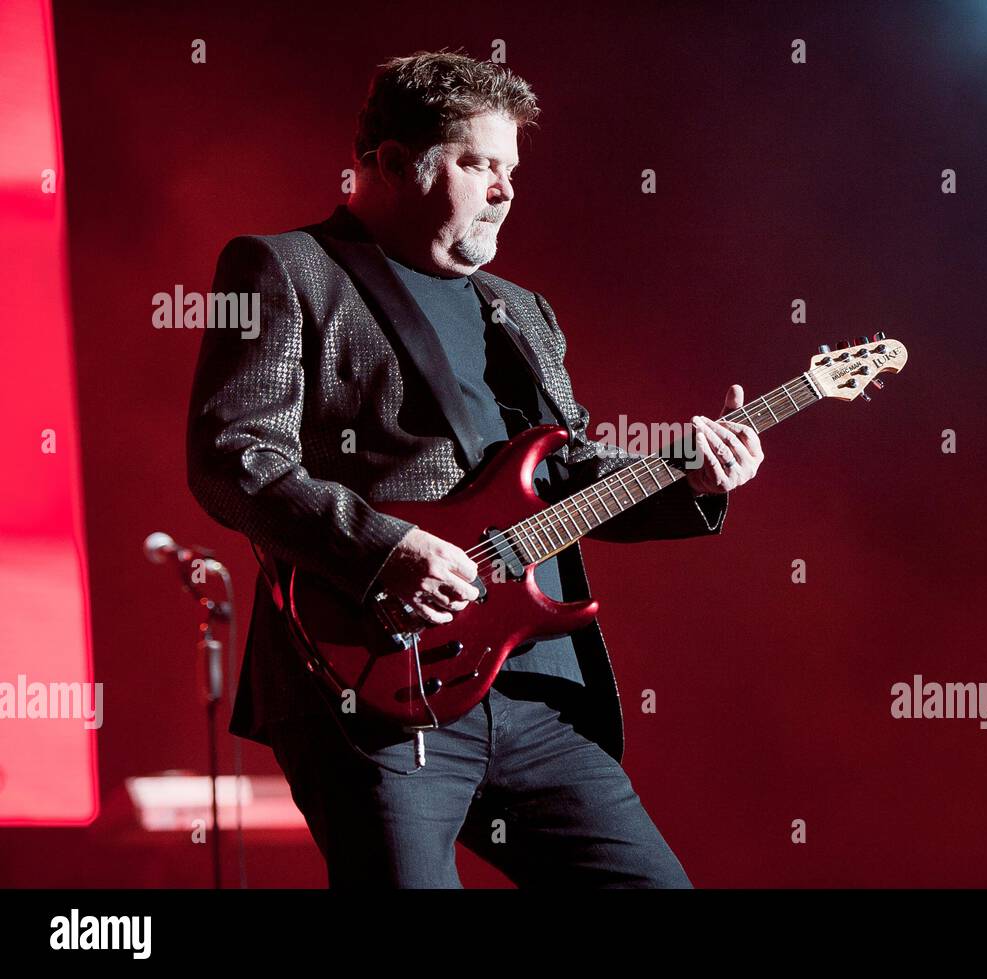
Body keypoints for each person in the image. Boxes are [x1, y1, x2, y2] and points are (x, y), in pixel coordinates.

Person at [186, 49, 763, 888]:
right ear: (387, 163)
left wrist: (691, 476)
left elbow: (568, 469)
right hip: (379, 680)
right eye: (479, 162)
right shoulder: (288, 270)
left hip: (530, 687)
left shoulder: (520, 311)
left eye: (511, 169)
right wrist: (385, 547)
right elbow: (233, 455)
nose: (505, 189)